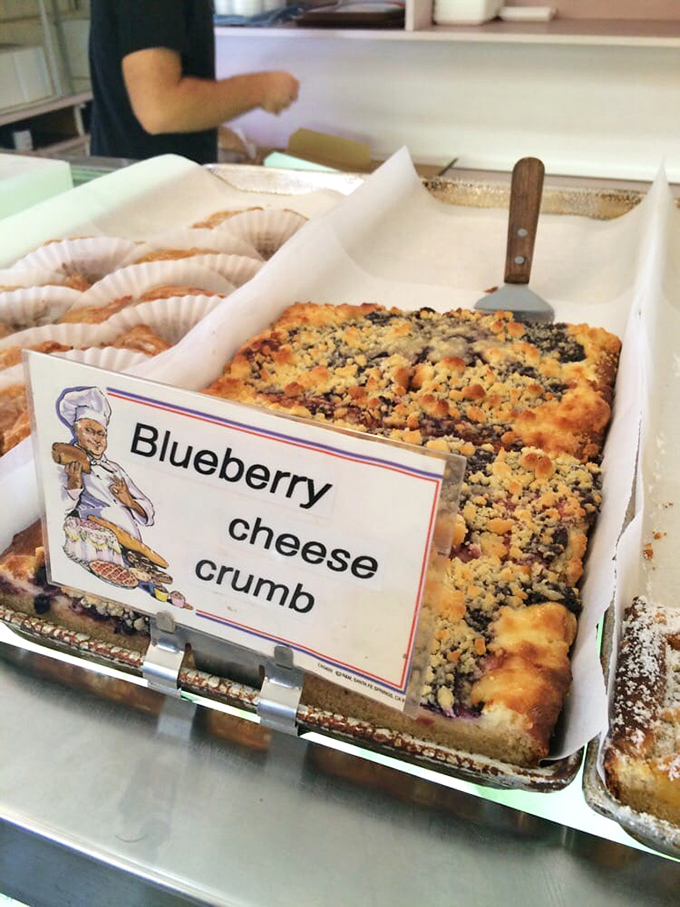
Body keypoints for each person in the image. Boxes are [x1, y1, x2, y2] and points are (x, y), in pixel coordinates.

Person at [89, 0, 299, 163]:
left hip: (144, 178)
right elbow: (161, 109)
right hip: (146, 192)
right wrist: (261, 89)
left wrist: (213, 129)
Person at [56, 387, 154, 540]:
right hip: (93, 544)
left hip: (132, 545)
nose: (97, 439)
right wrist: (74, 486)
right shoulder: (65, 464)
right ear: (76, 432)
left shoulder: (114, 469)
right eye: (89, 431)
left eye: (101, 434)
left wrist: (129, 501)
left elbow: (147, 508)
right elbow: (55, 512)